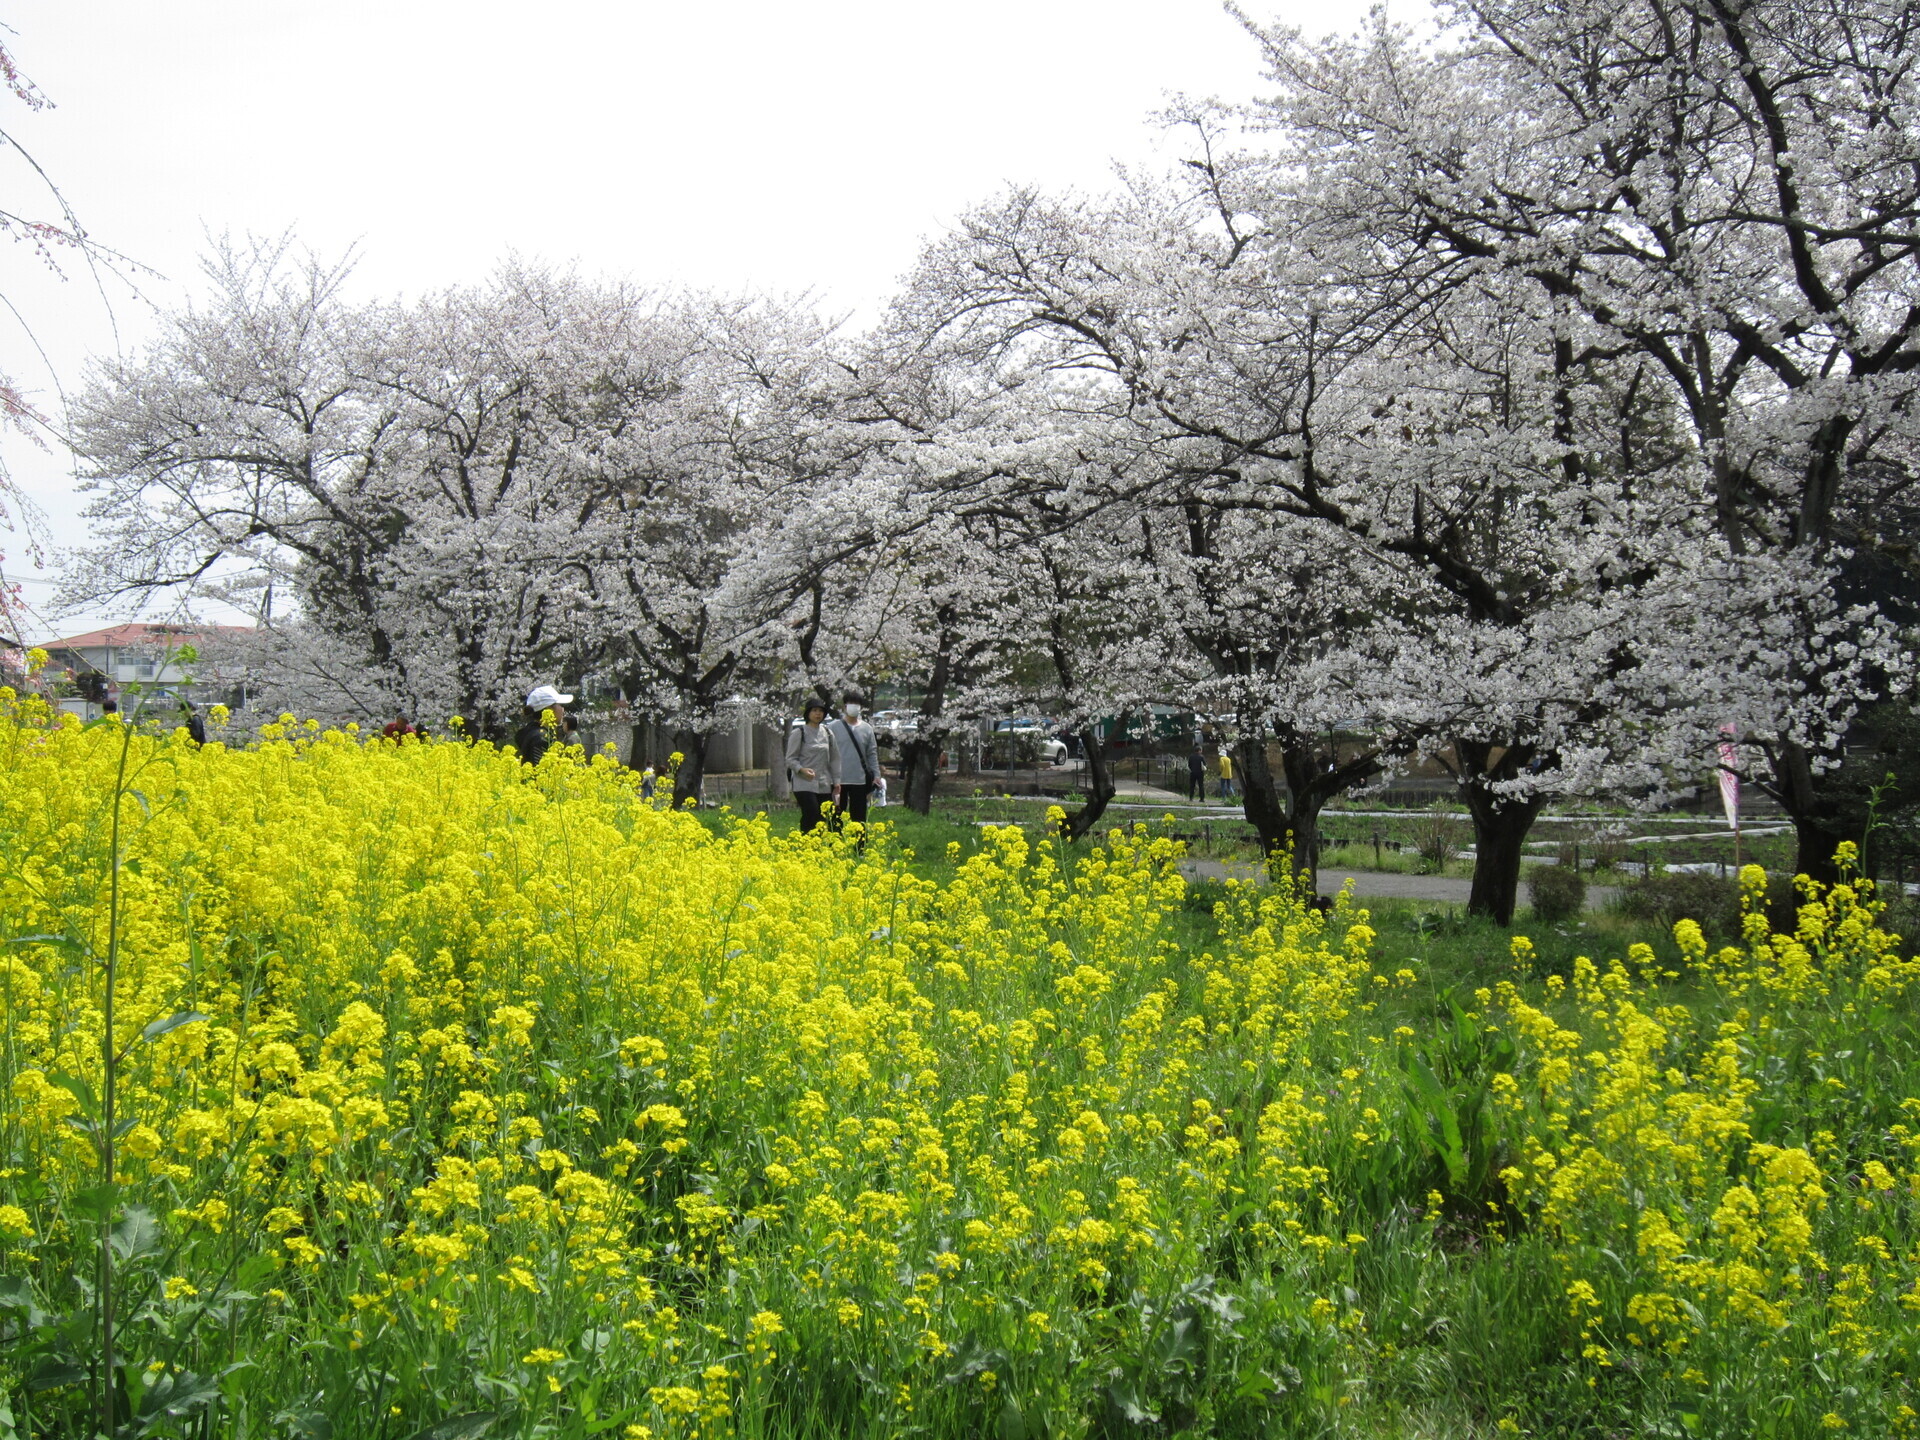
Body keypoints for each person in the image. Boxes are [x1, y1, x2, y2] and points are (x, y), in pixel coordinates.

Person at [784, 699, 840, 834]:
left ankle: (821, 846)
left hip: (824, 782)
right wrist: (801, 769)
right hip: (804, 782)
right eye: (814, 711)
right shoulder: (799, 733)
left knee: (825, 817)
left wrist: (837, 781)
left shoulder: (827, 733)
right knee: (811, 813)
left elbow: (835, 758)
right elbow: (790, 759)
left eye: (821, 711)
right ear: (808, 713)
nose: (818, 714)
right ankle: (806, 845)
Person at [828, 696, 880, 833]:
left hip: (860, 780)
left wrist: (876, 775)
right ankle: (835, 848)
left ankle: (860, 849)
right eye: (850, 703)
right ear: (844, 706)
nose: (853, 707)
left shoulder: (866, 729)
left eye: (857, 704)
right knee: (836, 816)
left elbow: (872, 753)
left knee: (859, 818)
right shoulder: (832, 727)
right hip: (838, 780)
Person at [515, 684, 572, 766]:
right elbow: (539, 772)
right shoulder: (540, 737)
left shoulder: (530, 731)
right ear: (549, 709)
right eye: (559, 705)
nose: (562, 709)